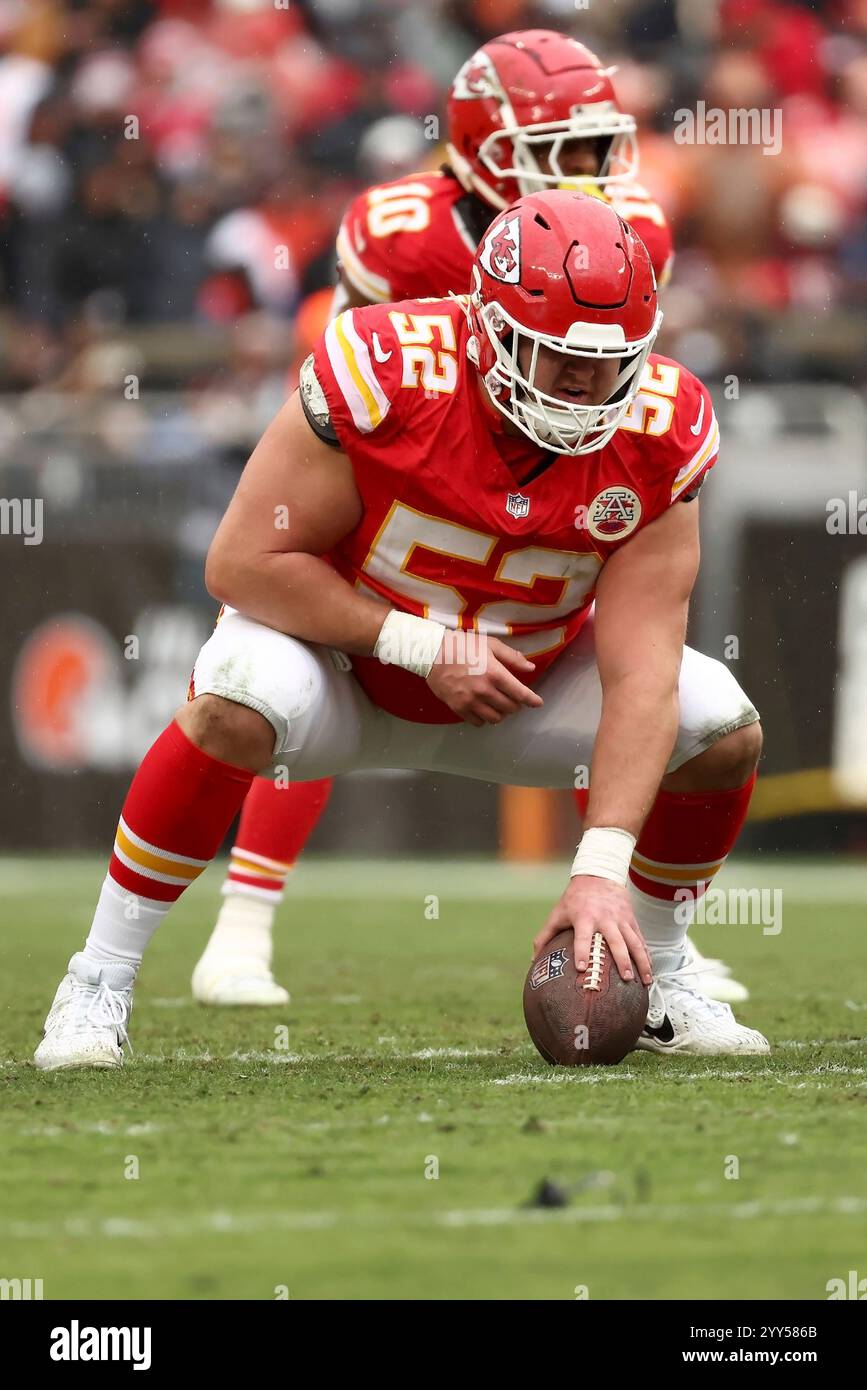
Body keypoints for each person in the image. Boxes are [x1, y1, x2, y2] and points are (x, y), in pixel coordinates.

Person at [35, 191, 767, 1070]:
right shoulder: (386, 369)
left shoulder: (660, 428)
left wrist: (598, 868)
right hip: (342, 670)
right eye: (554, 355)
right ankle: (99, 979)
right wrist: (421, 645)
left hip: (522, 690)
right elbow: (242, 566)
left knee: (718, 724)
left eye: (605, 363)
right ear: (488, 329)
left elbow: (643, 669)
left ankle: (663, 966)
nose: (582, 384)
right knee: (234, 696)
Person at [194, 29, 748, 1013]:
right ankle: (245, 917)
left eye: (600, 148)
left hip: (548, 470)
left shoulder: (633, 232)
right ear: (490, 144)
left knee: (635, 670)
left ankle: (650, 936)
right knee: (287, 668)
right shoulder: (400, 229)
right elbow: (377, 385)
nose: (593, 173)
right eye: (567, 150)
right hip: (397, 464)